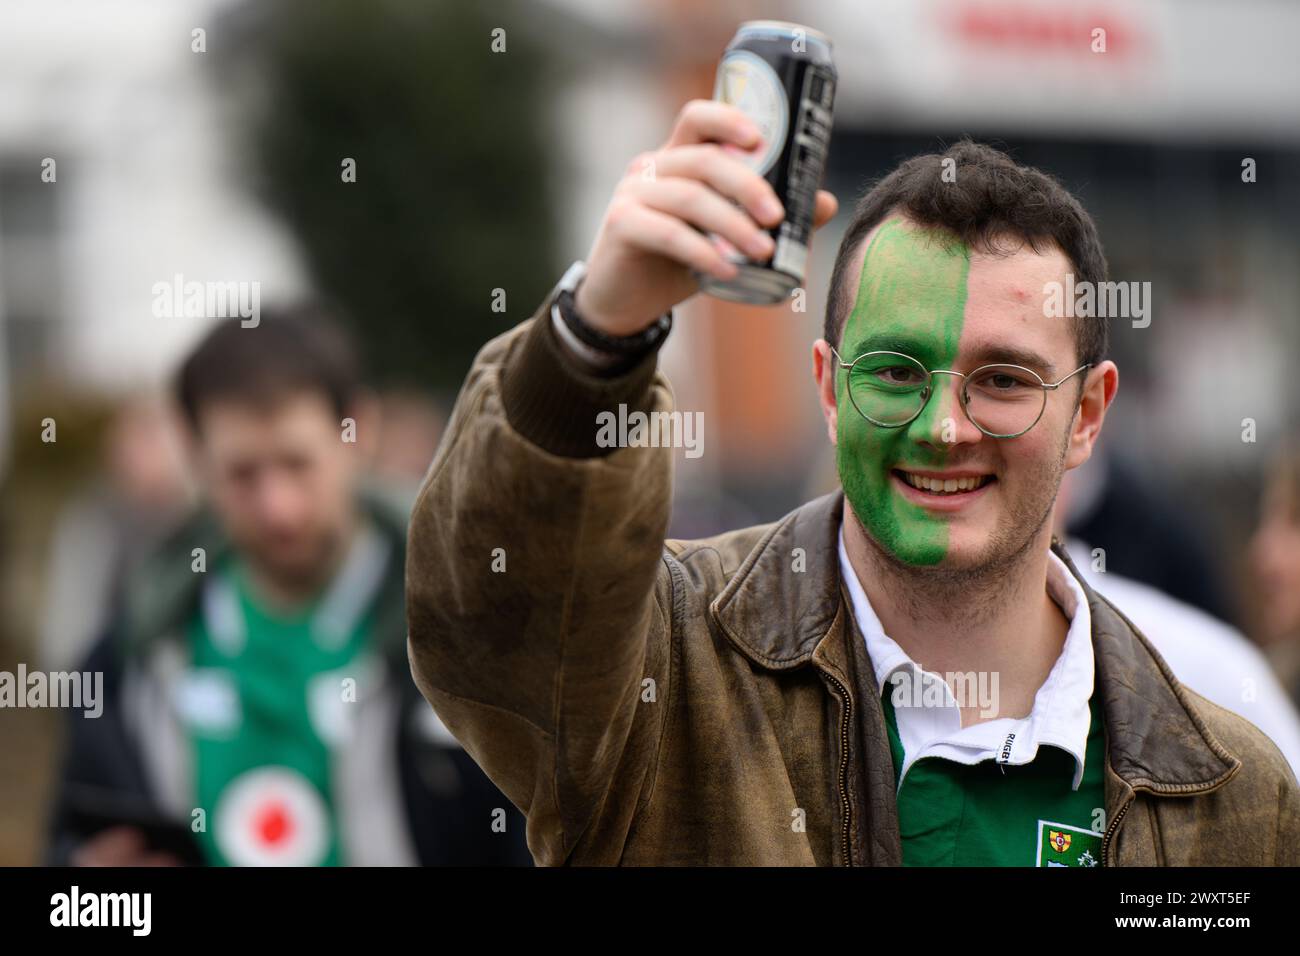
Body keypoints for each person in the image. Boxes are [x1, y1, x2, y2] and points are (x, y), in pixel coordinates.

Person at [405, 100, 1300, 865]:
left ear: (1089, 417)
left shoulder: (1233, 797)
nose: (944, 428)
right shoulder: (664, 674)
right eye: (897, 373)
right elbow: (483, 629)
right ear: (830, 389)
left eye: (1004, 381)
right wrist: (595, 334)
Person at [48, 305, 530, 866]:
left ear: (357, 432)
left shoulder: (469, 636)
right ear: (196, 456)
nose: (277, 507)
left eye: (297, 464)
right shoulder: (129, 659)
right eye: (243, 473)